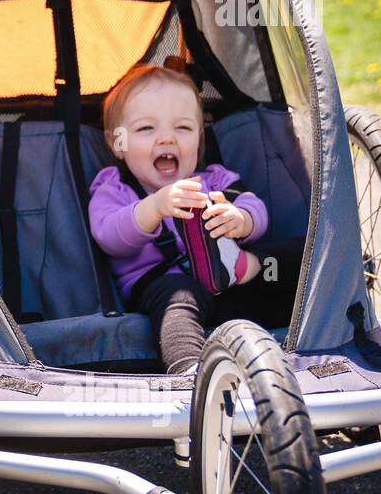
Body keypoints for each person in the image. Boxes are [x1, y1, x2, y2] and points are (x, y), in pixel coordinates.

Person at [88, 60, 298, 376]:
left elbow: (256, 207)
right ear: (117, 142)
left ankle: (312, 331)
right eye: (147, 128)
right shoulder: (114, 188)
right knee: (178, 298)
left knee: (295, 257)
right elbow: (109, 237)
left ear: (199, 138)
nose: (166, 139)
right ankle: (187, 372)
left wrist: (241, 219)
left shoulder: (213, 179)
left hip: (233, 284)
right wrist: (154, 208)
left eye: (182, 128)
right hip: (163, 285)